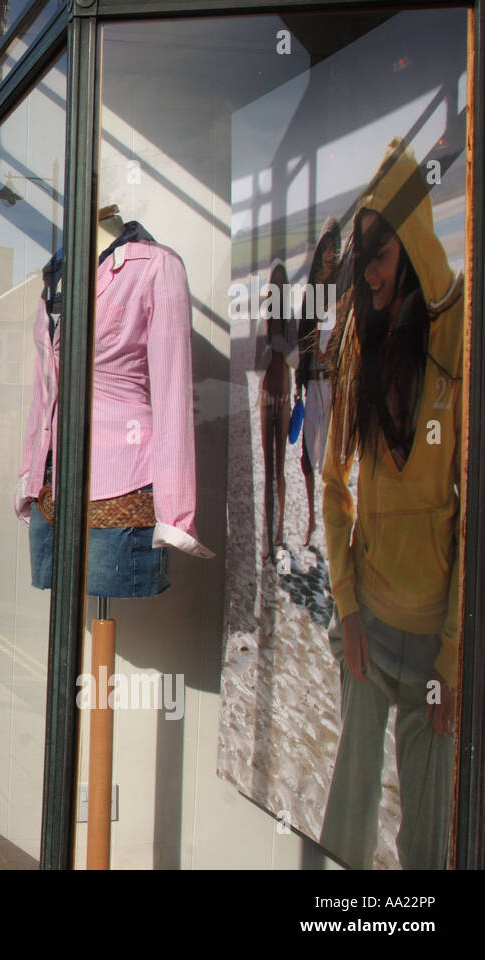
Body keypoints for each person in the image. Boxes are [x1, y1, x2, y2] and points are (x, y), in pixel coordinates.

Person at [319, 139, 463, 869]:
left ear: (410, 242)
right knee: (347, 820)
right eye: (360, 256)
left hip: (437, 641)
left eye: (380, 252)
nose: (369, 271)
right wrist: (345, 609)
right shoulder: (357, 344)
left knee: (427, 845)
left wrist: (454, 657)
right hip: (368, 634)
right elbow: (333, 483)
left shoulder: (460, 335)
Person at [295, 217, 346, 545]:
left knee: (330, 456)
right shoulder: (314, 291)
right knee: (308, 456)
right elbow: (303, 341)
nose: (332, 254)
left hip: (334, 383)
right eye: (328, 248)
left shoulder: (344, 289)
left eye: (335, 248)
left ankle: (328, 521)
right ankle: (312, 517)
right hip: (313, 384)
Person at [253, 260, 297, 555]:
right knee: (269, 470)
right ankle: (269, 533)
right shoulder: (263, 319)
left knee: (278, 468)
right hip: (269, 398)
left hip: (281, 400)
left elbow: (295, 361)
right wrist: (271, 351)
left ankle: (278, 528)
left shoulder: (289, 319)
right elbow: (257, 367)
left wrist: (283, 348)